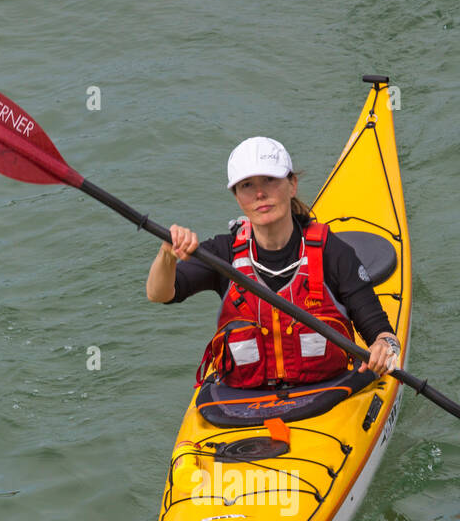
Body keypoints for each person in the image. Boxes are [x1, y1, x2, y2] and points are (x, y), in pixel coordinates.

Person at [145, 135, 401, 388]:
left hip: (331, 394)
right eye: (246, 185)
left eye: (270, 180)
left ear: (292, 185)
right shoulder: (223, 253)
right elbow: (160, 294)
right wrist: (167, 254)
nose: (259, 193)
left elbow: (382, 332)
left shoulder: (332, 252)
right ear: (237, 196)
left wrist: (384, 347)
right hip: (241, 407)